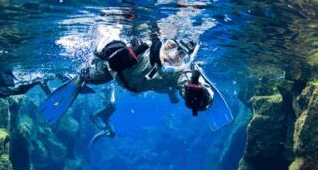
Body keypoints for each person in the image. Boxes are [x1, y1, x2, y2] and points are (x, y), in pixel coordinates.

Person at [40, 35, 233, 133]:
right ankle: (61, 76)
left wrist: (202, 97)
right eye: (172, 46)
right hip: (116, 72)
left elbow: (196, 84)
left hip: (151, 84)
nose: (172, 56)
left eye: (181, 54)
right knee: (92, 76)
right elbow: (109, 35)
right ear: (164, 40)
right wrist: (111, 49)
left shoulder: (182, 71)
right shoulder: (140, 46)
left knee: (170, 85)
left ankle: (172, 92)